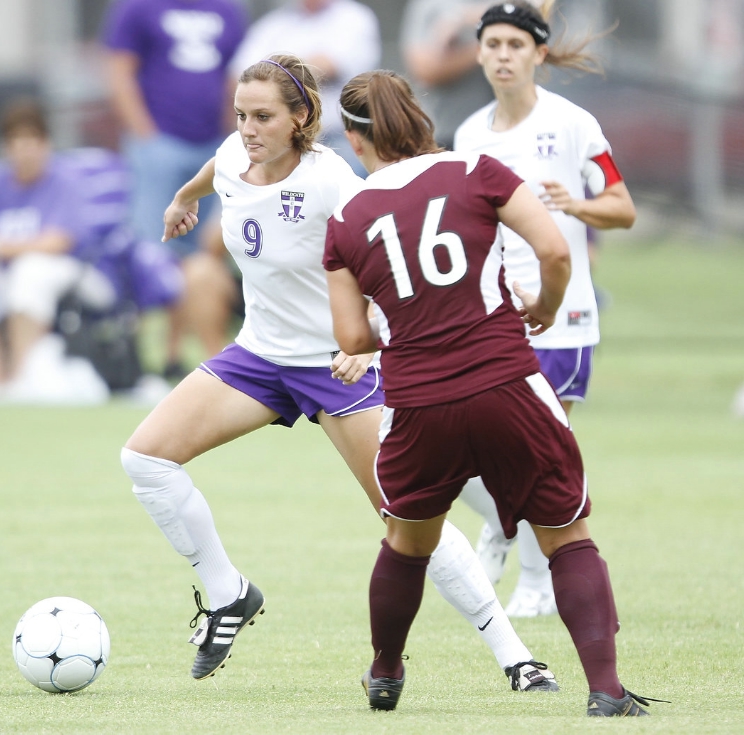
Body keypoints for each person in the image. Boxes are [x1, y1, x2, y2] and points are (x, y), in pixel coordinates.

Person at [121, 54, 559, 693]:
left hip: (336, 365)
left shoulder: (332, 181)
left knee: (405, 515)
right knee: (145, 460)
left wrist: (383, 340)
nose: (248, 128)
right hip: (261, 357)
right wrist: (182, 200)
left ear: (301, 119)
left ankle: (514, 656)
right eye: (241, 115)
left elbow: (394, 248)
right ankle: (228, 593)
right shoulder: (232, 157)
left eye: (264, 117)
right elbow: (216, 171)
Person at [324, 67, 660, 717]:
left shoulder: (347, 217)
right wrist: (542, 305)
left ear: (354, 139)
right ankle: (607, 688)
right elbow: (557, 252)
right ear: (418, 118)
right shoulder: (475, 168)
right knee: (567, 533)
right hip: (507, 380)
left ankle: (386, 671)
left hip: (417, 402)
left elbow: (348, 333)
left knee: (407, 542)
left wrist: (402, 316)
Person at [452, 0, 636, 619]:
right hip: (493, 317)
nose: (504, 55)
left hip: (564, 318)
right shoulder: (471, 135)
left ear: (539, 54)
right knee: (473, 449)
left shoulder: (574, 122)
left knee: (540, 456)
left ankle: (536, 583)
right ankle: (505, 525)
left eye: (516, 44)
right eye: (494, 44)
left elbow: (622, 206)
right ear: (479, 52)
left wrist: (576, 206)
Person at [0, 99, 182, 395]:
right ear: (6, 147)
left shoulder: (63, 180)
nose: (24, 149)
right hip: (1, 273)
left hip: (72, 271)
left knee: (30, 270)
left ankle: (21, 376)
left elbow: (59, 241)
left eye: (31, 140)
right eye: (16, 141)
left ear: (45, 143)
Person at [102, 0, 248, 379]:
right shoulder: (138, 7)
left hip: (212, 147)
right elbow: (120, 72)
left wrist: (232, 138)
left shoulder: (228, 10)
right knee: (157, 253)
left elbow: (237, 78)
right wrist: (146, 136)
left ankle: (206, 353)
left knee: (207, 254)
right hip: (160, 145)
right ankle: (156, 353)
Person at [229, 0, 380, 175]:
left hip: (341, 139)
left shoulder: (353, 17)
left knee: (345, 199)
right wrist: (298, 70)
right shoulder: (274, 24)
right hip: (283, 140)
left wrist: (271, 76)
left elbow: (329, 66)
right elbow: (240, 76)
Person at [399, 0, 495, 149]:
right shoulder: (429, 5)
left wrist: (463, 19)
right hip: (442, 134)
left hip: (496, 133)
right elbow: (425, 70)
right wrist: (485, 48)